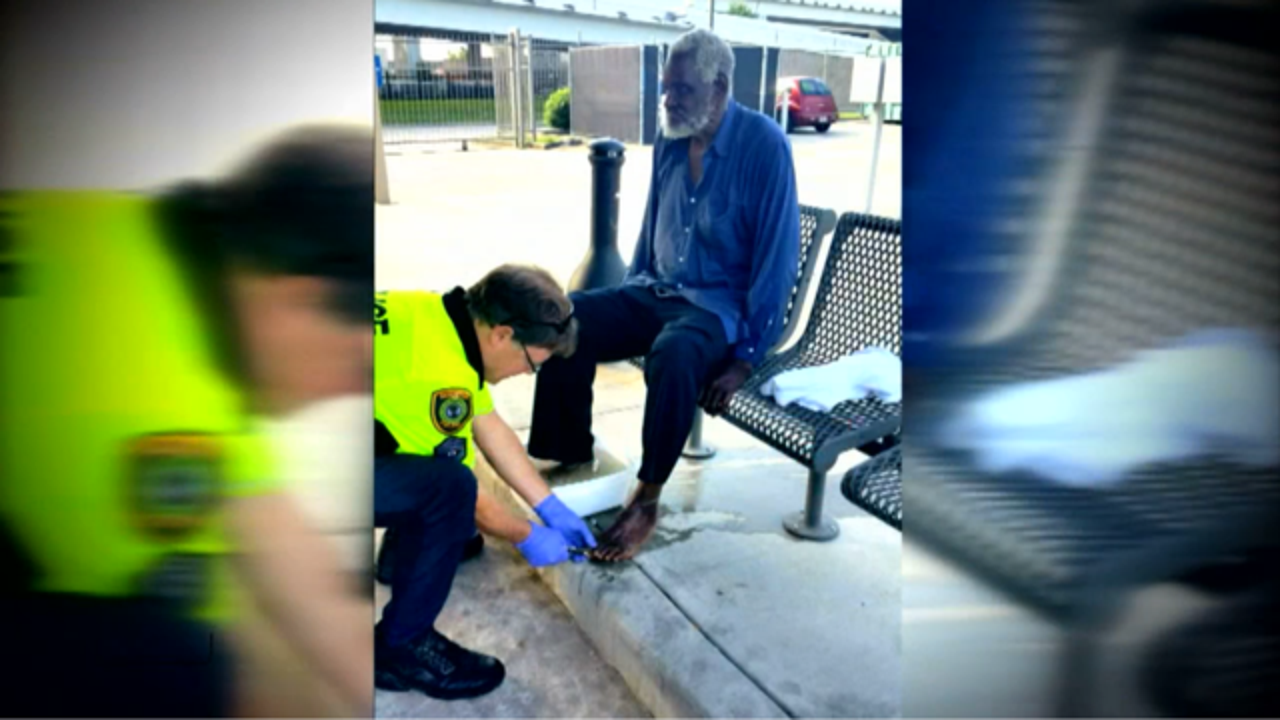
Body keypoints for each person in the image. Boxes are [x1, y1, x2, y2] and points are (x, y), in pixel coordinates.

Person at [0, 126, 375, 717]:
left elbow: (275, 542)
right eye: (358, 368)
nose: (351, 393)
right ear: (297, 299)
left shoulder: (129, 240)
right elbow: (263, 670)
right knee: (176, 658)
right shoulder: (131, 400)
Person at [527, 28, 802, 562]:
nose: (668, 100)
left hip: (715, 312)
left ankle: (646, 499)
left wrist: (746, 358)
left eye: (682, 90)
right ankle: (567, 452)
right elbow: (653, 223)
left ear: (719, 86)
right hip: (656, 291)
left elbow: (778, 257)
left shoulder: (764, 146)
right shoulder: (671, 140)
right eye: (665, 88)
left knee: (673, 354)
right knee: (568, 315)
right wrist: (629, 291)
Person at [373, 264, 598, 700]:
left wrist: (548, 505)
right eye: (531, 363)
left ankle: (402, 552)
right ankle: (401, 647)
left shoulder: (433, 318)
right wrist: (528, 534)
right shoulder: (435, 377)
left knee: (425, 474)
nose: (526, 374)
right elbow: (468, 499)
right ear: (501, 334)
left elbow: (486, 421)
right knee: (447, 491)